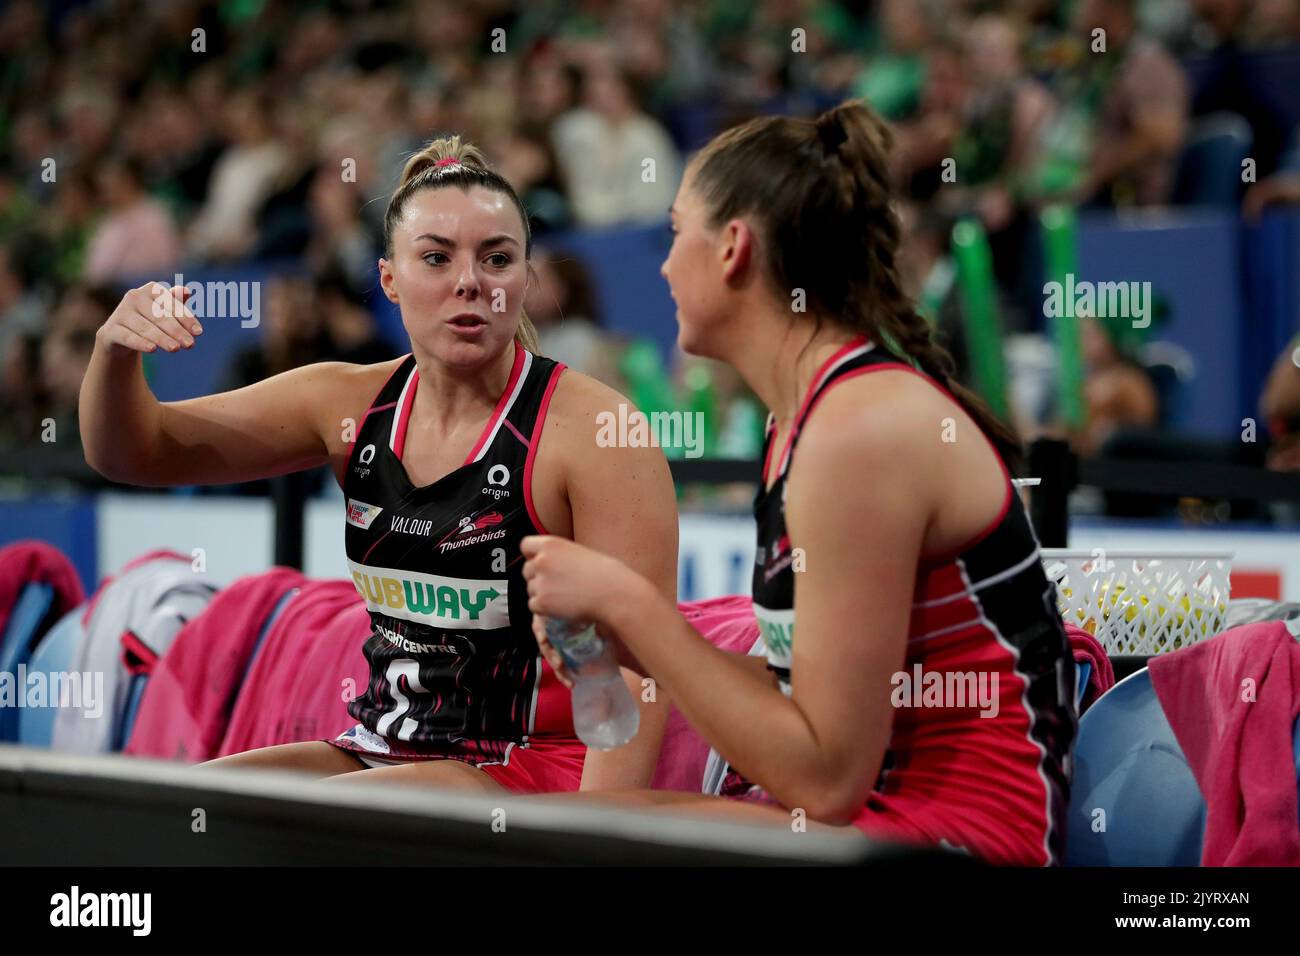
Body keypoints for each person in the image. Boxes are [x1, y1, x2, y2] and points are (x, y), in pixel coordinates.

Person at [520, 100, 1077, 865]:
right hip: (883, 816)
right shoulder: (803, 420)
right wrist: (632, 645)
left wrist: (631, 605)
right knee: (581, 835)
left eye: (677, 232)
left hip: (967, 837)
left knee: (601, 847)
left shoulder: (856, 432)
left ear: (734, 249)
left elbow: (825, 777)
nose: (662, 263)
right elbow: (806, 691)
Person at [80, 136, 677, 794]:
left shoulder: (594, 431)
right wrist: (115, 354)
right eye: (436, 258)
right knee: (175, 813)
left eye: (498, 258)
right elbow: (135, 452)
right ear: (389, 278)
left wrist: (593, 845)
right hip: (381, 748)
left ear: (526, 280)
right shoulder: (345, 403)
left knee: (310, 826)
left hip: (529, 771)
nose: (469, 280)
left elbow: (639, 671)